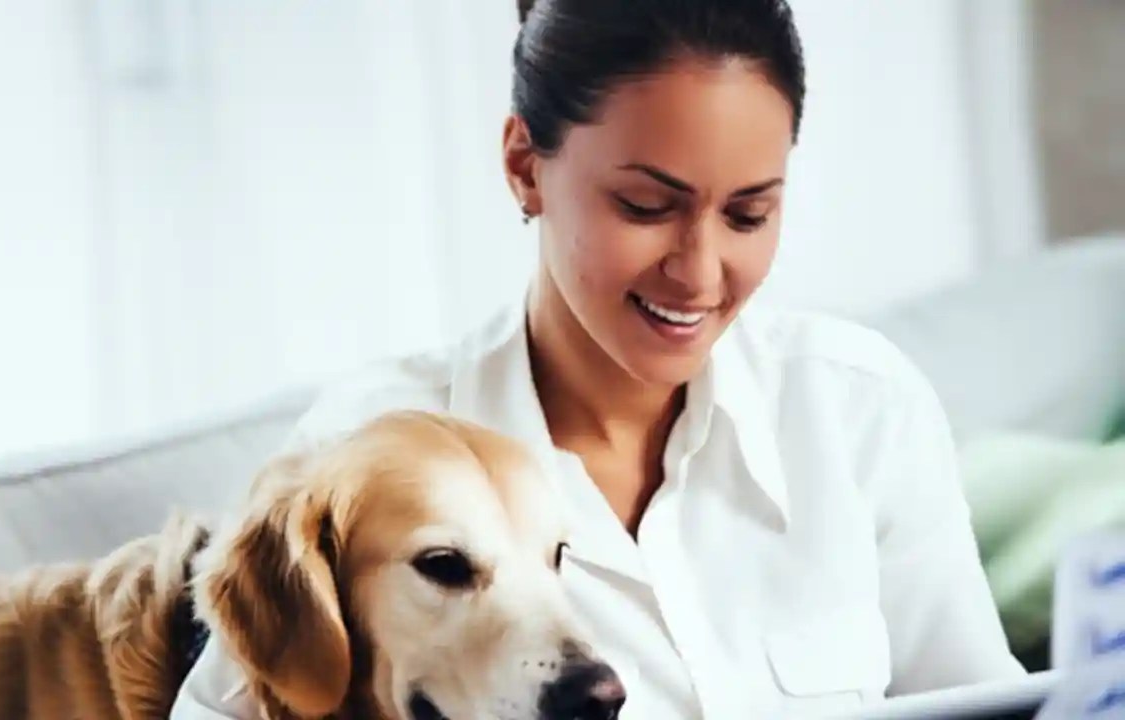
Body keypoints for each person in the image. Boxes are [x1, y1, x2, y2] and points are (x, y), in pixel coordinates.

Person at [171, 0, 1025, 717]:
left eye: (747, 216)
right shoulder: (371, 452)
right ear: (524, 167)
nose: (697, 273)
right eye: (646, 205)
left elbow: (988, 705)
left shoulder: (858, 408)